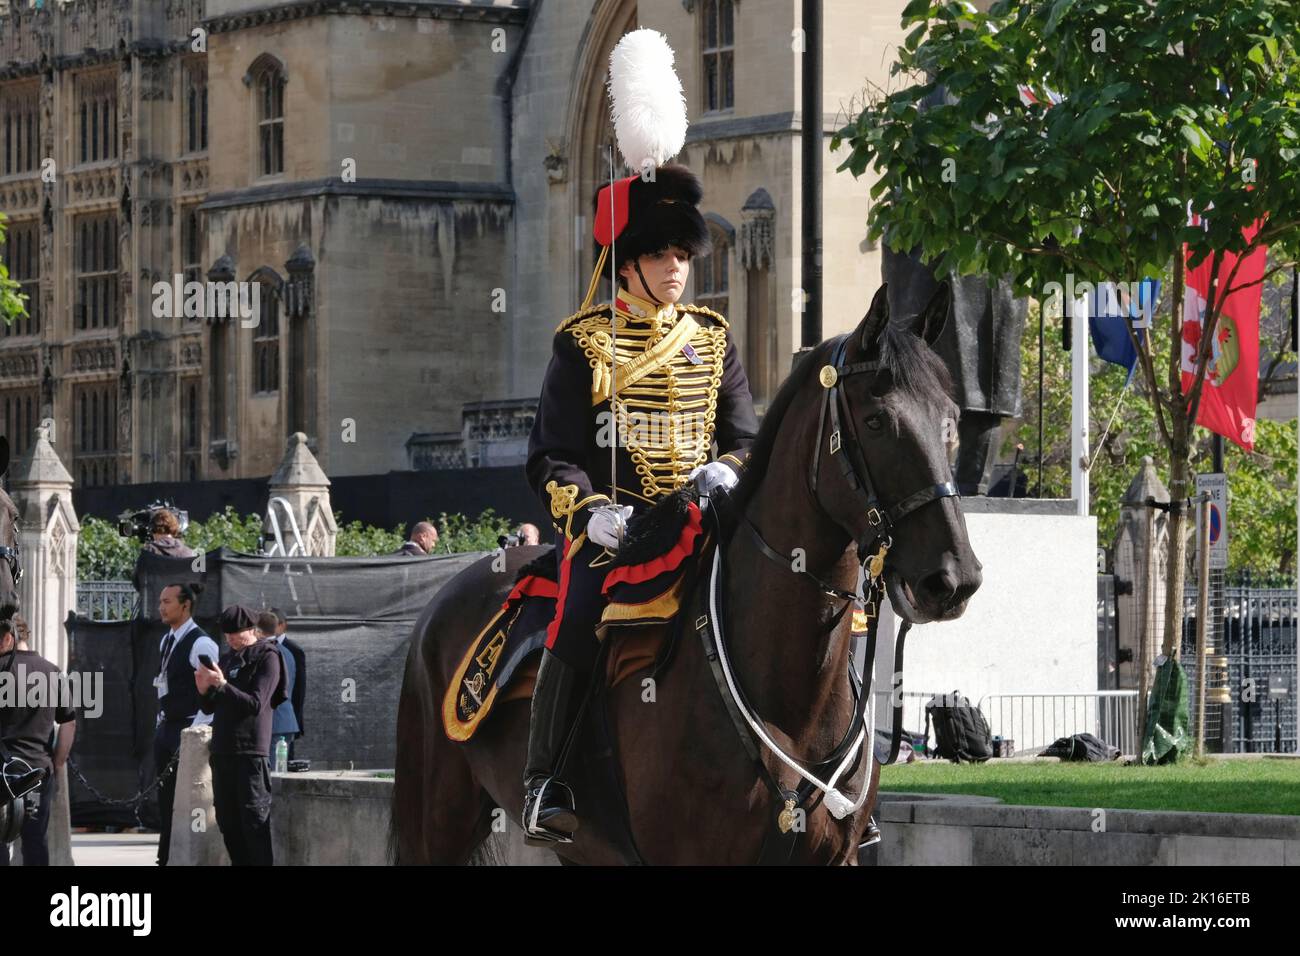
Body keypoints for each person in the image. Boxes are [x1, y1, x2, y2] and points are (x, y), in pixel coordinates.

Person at [521, 31, 758, 846]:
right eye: (658, 254)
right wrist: (586, 513)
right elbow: (550, 454)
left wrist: (728, 472)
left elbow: (746, 437)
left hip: (702, 518)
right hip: (618, 530)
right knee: (579, 609)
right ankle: (545, 778)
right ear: (624, 261)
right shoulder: (580, 344)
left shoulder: (713, 338)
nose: (675, 268)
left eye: (682, 254)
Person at [196, 604, 286, 866]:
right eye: (226, 635)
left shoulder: (267, 656)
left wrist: (223, 685)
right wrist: (204, 689)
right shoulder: (227, 658)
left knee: (253, 823)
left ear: (252, 630)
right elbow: (209, 707)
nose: (231, 640)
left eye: (235, 634)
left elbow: (255, 704)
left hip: (250, 752)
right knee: (228, 822)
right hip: (223, 750)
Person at [0, 618, 77, 866]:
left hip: (2, 770)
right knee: (35, 842)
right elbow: (68, 723)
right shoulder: (52, 671)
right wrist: (57, 761)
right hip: (37, 769)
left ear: (8, 638)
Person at [152, 582, 218, 866]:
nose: (161, 607)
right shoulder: (166, 640)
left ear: (185, 605)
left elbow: (212, 692)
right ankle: (164, 856)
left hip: (188, 731)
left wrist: (195, 732)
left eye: (167, 602)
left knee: (189, 803)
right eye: (160, 602)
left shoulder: (201, 643)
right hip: (167, 728)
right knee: (166, 799)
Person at [257, 610, 299, 764]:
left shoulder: (265, 651)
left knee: (272, 777)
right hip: (285, 721)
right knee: (277, 775)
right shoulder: (286, 651)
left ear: (257, 630)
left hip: (273, 723)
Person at [268, 608, 306, 758]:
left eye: (272, 623)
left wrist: (295, 720)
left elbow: (298, 690)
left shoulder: (293, 650)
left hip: (284, 720)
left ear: (282, 625)